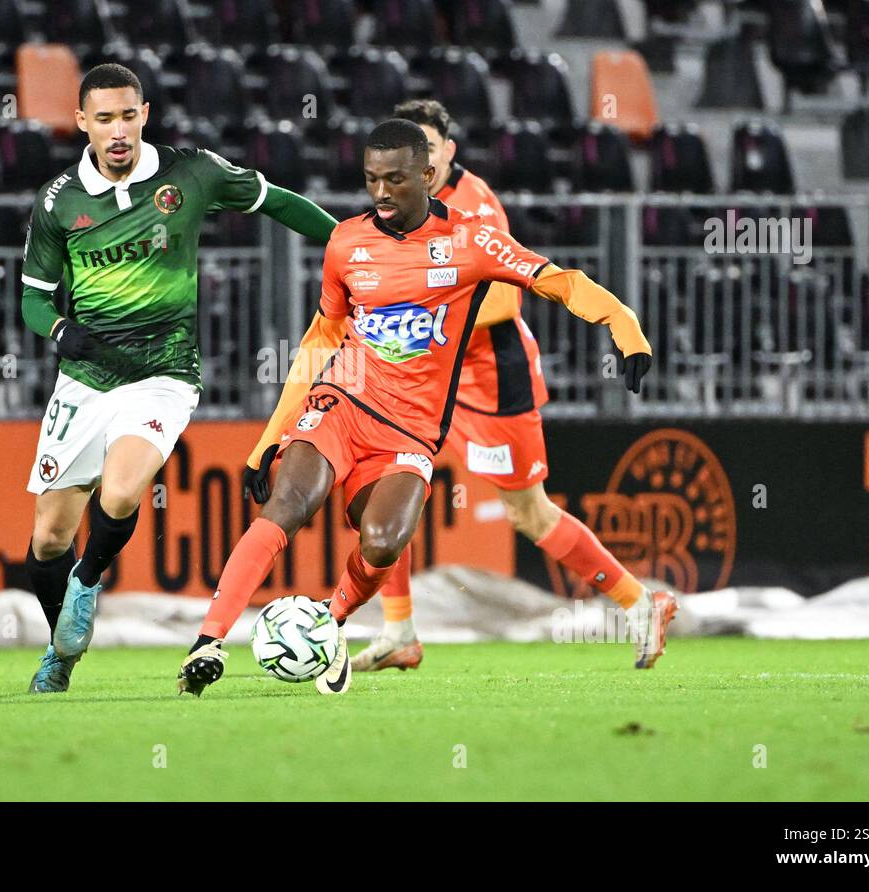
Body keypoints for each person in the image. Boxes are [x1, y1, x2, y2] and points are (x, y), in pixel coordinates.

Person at [177, 118, 660, 697]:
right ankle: (209, 641)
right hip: (344, 400)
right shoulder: (347, 242)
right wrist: (267, 441)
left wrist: (623, 323)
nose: (381, 193)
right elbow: (319, 341)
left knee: (385, 539)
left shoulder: (471, 240)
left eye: (396, 180)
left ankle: (329, 626)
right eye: (371, 180)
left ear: (429, 175)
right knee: (289, 503)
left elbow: (559, 281)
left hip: (413, 428)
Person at [19, 64, 336, 693]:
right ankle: (63, 650)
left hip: (163, 373)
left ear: (145, 114)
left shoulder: (191, 173)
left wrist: (359, 249)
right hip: (83, 379)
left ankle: (89, 580)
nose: (117, 130)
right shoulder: (58, 200)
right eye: (103, 118)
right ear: (81, 122)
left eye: (127, 115)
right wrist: (58, 331)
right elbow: (33, 298)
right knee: (49, 536)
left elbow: (278, 203)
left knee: (120, 493)